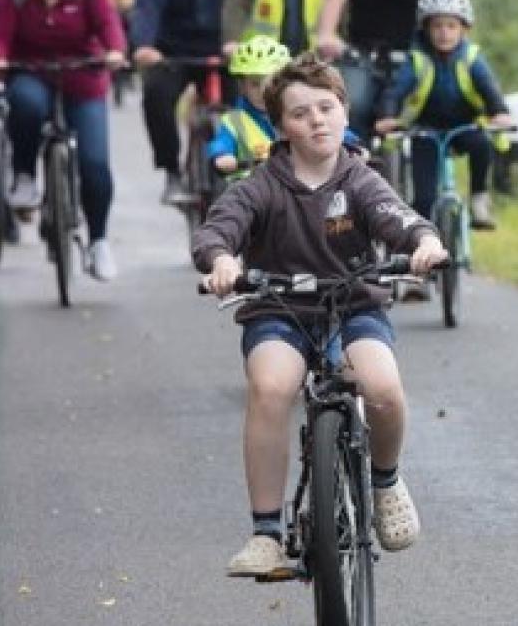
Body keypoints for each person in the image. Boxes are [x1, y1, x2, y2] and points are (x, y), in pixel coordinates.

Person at [192, 52, 447, 577]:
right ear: (280, 126)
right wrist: (220, 260)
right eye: (301, 112)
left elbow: (396, 217)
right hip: (279, 310)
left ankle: (385, 481)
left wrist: (423, 241)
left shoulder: (360, 178)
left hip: (354, 307)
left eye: (326, 108)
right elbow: (220, 225)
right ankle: (266, 532)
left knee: (382, 387)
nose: (316, 120)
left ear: (345, 113)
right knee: (271, 388)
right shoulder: (262, 184)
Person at [0, 0, 127, 280]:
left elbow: (110, 29)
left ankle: (99, 242)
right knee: (23, 101)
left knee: (95, 164)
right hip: (32, 73)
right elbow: (1, 37)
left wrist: (115, 52)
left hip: (83, 79)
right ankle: (24, 176)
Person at [375, 0, 512, 235]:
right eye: (437, 26)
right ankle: (421, 245)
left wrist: (499, 113)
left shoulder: (471, 58)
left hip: (464, 127)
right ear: (426, 29)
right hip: (425, 131)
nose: (444, 33)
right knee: (424, 199)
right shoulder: (417, 59)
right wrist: (387, 116)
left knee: (481, 143)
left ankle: (479, 198)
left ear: (464, 30)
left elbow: (489, 88)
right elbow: (395, 91)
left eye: (451, 26)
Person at [130, 0, 241, 204]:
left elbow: (249, 3)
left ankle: (247, 169)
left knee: (247, 102)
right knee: (156, 92)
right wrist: (143, 45)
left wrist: (243, 43)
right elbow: (148, 4)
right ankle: (171, 171)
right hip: (175, 51)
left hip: (226, 49)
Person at [314, 0, 453, 136]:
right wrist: (327, 33)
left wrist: (446, 29)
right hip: (362, 53)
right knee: (351, 105)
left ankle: (432, 164)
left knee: (435, 106)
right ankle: (354, 162)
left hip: (416, 53)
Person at [207, 34, 359, 180]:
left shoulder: (298, 112)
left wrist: (349, 145)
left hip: (298, 184)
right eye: (254, 84)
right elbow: (221, 144)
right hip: (250, 188)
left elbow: (329, 128)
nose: (263, 90)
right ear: (242, 87)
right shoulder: (234, 120)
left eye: (270, 83)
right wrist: (223, 155)